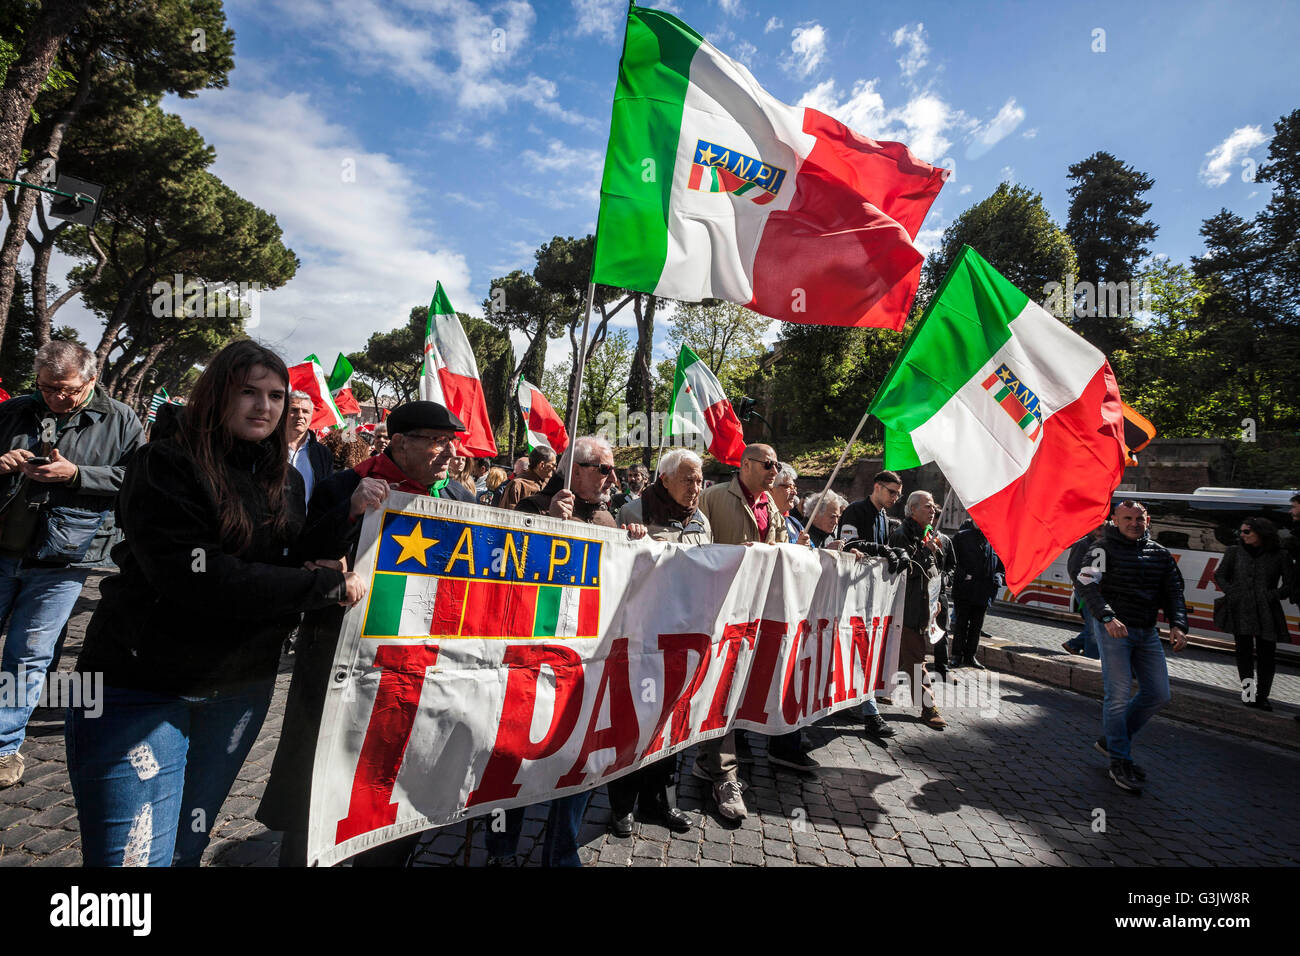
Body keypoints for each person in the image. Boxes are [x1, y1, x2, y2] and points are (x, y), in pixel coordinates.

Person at [65, 341, 365, 865]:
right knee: (131, 860)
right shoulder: (163, 463)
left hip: (238, 691)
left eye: (276, 395)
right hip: (139, 688)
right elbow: (196, 576)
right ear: (216, 394)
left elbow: (289, 554)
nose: (265, 407)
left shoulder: (288, 480)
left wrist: (345, 520)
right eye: (247, 391)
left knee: (186, 846)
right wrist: (321, 588)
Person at [258, 399, 477, 867]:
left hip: (417, 662)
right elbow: (304, 550)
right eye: (435, 441)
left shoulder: (458, 497)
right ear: (398, 442)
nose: (447, 452)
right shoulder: (345, 483)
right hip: (339, 655)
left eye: (450, 443)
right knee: (321, 768)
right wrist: (350, 513)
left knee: (400, 769)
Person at [485, 436, 646, 866]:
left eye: (613, 470)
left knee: (580, 759)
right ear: (575, 470)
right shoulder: (534, 508)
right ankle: (501, 848)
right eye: (604, 469)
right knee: (512, 761)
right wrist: (541, 526)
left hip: (587, 662)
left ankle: (561, 850)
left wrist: (633, 540)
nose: (614, 477)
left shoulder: (610, 520)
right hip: (532, 658)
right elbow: (504, 571)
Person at [0, 342, 145, 789]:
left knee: (29, 653)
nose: (54, 398)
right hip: (4, 545)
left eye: (65, 390)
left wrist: (78, 474)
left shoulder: (121, 419)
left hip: (64, 556)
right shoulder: (14, 411)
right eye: (46, 388)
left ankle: (4, 749)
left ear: (90, 380)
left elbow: (138, 478)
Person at [606, 448, 710, 838]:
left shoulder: (700, 519)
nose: (695, 487)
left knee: (673, 723)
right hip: (642, 637)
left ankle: (660, 802)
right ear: (664, 479)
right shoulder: (634, 513)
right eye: (688, 479)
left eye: (699, 479)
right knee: (635, 724)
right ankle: (621, 807)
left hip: (683, 637)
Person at [694, 443, 789, 816]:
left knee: (737, 690)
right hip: (718, 612)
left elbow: (779, 551)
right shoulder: (713, 498)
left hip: (757, 613)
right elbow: (695, 549)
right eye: (768, 463)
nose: (774, 470)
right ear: (746, 465)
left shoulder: (772, 508)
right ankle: (723, 774)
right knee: (720, 690)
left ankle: (710, 761)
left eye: (777, 464)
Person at [1076, 499, 1188, 794]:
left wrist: (1178, 624)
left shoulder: (1160, 554)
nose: (1133, 523)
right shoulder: (1102, 549)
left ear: (1147, 519)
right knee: (1119, 696)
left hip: (1147, 631)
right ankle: (1120, 760)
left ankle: (1112, 741)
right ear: (1115, 519)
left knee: (1159, 694)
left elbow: (1174, 591)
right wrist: (1107, 616)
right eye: (1127, 518)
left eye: (1139, 518)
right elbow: (1086, 585)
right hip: (1114, 631)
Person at [1214, 517, 1292, 711]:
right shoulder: (1234, 551)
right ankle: (1248, 694)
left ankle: (1263, 696)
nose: (1242, 535)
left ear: (1261, 533)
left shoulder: (1280, 555)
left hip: (1267, 610)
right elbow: (1220, 574)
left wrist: (1273, 595)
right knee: (1244, 654)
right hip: (1240, 608)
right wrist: (1232, 591)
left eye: (1247, 531)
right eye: (1241, 531)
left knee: (1267, 655)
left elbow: (1290, 584)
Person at [888, 491, 948, 730]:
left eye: (934, 506)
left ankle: (878, 690)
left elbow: (934, 574)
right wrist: (927, 551)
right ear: (912, 509)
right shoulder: (901, 536)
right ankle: (928, 707)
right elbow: (904, 570)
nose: (933, 510)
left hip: (925, 608)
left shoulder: (929, 535)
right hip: (908, 608)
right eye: (927, 506)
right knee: (917, 660)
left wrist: (935, 601)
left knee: (902, 656)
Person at [950, 519, 1004, 669]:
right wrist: (963, 576)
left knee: (976, 626)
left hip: (984, 591)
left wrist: (998, 578)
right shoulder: (961, 537)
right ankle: (956, 655)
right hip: (965, 590)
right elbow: (953, 562)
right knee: (961, 625)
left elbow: (1000, 566)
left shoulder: (994, 541)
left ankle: (970, 656)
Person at [1061, 527, 1105, 658]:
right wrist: (1085, 588)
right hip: (1086, 593)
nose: (1100, 531)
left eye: (1103, 528)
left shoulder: (1105, 544)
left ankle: (1074, 644)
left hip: (1100, 593)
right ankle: (1090, 658)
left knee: (1097, 625)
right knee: (1093, 627)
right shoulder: (1082, 544)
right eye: (1098, 528)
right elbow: (1073, 570)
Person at [285, 390, 334, 499]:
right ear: (283, 413)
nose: (300, 415)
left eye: (305, 411)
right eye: (294, 410)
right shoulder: (268, 447)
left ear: (311, 416)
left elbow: (326, 494)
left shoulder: (323, 454)